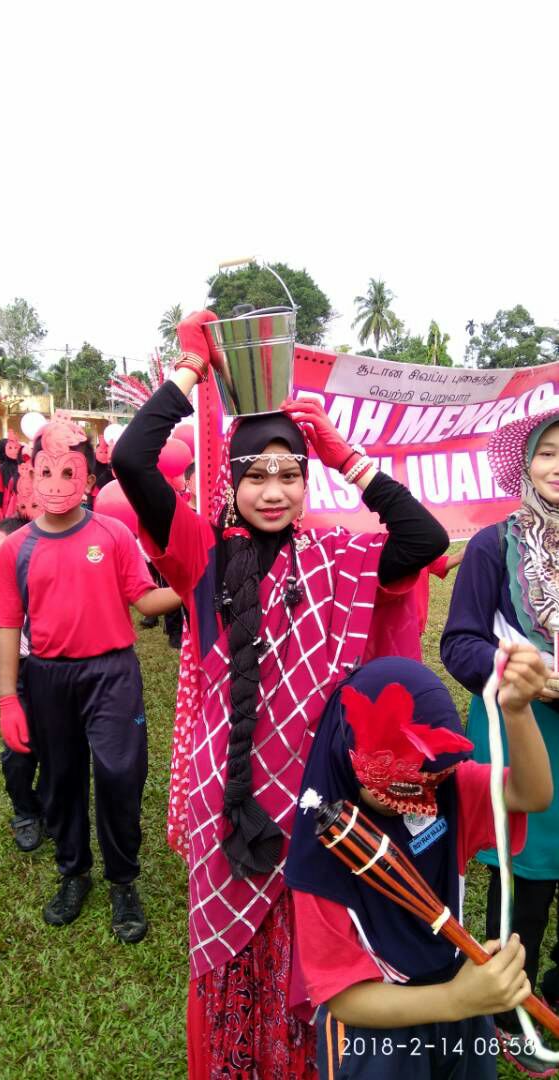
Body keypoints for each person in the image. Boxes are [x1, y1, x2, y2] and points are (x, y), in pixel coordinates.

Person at [112, 308, 449, 1077]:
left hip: (314, 805)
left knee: (312, 967)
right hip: (223, 807)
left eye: (289, 472)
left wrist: (341, 452)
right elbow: (132, 459)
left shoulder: (337, 557)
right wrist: (190, 371)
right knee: (229, 967)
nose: (272, 489)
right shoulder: (199, 555)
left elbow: (424, 540)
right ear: (229, 484)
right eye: (254, 473)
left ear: (306, 481)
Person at [285, 651, 551, 1080]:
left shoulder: (449, 791)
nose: (420, 803)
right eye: (400, 785)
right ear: (348, 754)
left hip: (459, 1001)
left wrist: (517, 712)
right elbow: (343, 1000)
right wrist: (457, 999)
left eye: (432, 783)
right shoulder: (322, 860)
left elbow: (531, 794)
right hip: (376, 1034)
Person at [0, 415, 181, 943]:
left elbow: (145, 598)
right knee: (61, 781)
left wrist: (191, 582)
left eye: (68, 472)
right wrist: (8, 700)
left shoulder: (113, 534)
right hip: (47, 677)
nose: (55, 483)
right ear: (29, 476)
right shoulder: (16, 549)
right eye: (44, 471)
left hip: (111, 673)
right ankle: (74, 873)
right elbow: (5, 626)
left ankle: (123, 882)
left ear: (90, 479)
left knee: (119, 776)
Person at [441, 408, 559, 1074]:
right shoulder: (494, 544)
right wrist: (521, 678)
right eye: (546, 453)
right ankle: (509, 1012)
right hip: (521, 735)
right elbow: (458, 645)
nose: (556, 467)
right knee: (523, 889)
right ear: (524, 465)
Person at [0, 517, 45, 851]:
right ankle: (25, 812)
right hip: (17, 674)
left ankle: (52, 805)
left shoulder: (41, 582)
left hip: (50, 670)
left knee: (57, 747)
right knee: (16, 752)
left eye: (0, 550)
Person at [415, 547, 466, 638]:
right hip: (397, 624)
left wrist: (461, 555)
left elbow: (439, 563)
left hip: (416, 623)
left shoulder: (418, 548)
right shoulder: (387, 548)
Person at [0, 433, 21, 520]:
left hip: (23, 505)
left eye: (16, 448)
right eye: (10, 448)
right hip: (7, 506)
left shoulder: (24, 466)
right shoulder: (1, 469)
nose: (13, 451)